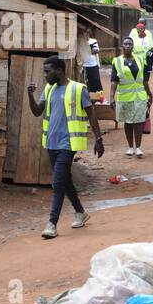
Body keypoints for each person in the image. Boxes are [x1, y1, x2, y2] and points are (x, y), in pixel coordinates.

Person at [26, 56, 104, 239]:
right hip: (51, 142)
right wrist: (30, 95)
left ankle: (52, 223)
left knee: (58, 182)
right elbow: (38, 111)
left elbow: (91, 114)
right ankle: (80, 212)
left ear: (59, 70)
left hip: (68, 143)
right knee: (65, 180)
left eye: (48, 71)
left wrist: (99, 139)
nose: (45, 76)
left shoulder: (78, 89)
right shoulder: (49, 88)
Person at [111, 36, 151, 157]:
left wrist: (150, 94)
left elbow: (144, 80)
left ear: (133, 46)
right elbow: (114, 81)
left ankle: (138, 147)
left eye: (130, 44)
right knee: (128, 122)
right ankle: (130, 147)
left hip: (139, 96)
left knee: (138, 121)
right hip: (125, 97)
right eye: (125, 44)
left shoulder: (140, 59)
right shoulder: (117, 61)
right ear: (122, 47)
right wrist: (112, 97)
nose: (127, 46)